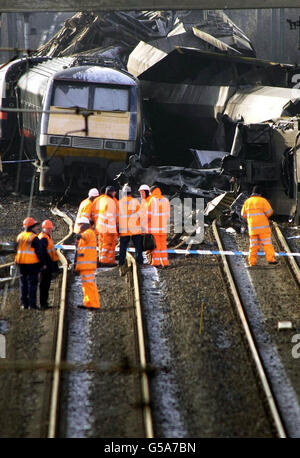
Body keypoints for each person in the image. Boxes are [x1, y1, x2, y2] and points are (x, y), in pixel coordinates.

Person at [15, 217, 47, 310]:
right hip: (32, 264)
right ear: (31, 227)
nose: (37, 228)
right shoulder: (34, 238)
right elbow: (39, 252)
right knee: (32, 284)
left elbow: (16, 249)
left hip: (21, 263)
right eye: (36, 226)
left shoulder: (20, 236)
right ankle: (32, 305)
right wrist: (43, 264)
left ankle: (24, 304)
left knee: (23, 284)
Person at [241, 185, 277, 267]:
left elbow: (243, 214)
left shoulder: (247, 202)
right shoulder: (263, 201)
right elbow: (269, 212)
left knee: (253, 246)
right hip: (263, 228)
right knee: (267, 244)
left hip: (252, 229)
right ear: (260, 193)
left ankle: (252, 262)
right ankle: (271, 259)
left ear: (252, 193)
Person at [75, 216, 100, 309]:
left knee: (89, 285)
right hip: (85, 265)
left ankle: (94, 304)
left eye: (80, 225)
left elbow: (85, 237)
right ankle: (88, 303)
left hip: (88, 265)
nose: (79, 227)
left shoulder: (88, 233)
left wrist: (80, 236)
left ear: (84, 225)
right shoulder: (86, 233)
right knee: (86, 285)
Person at [118, 184, 143, 274]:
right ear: (131, 192)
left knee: (123, 247)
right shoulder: (135, 202)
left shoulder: (120, 203)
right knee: (138, 247)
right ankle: (140, 261)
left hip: (124, 229)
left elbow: (117, 216)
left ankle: (120, 262)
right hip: (135, 228)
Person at [38, 219, 59, 310]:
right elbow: (43, 253)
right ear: (43, 228)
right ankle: (43, 304)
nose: (50, 230)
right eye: (48, 228)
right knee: (44, 284)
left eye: (50, 228)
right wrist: (46, 264)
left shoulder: (47, 237)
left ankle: (44, 302)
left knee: (46, 284)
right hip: (45, 266)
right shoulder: (43, 238)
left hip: (47, 264)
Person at [147, 185, 170, 267]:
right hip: (163, 228)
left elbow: (148, 215)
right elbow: (167, 215)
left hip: (154, 229)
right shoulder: (165, 200)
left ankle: (156, 263)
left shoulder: (152, 200)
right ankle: (165, 263)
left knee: (156, 247)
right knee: (163, 246)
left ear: (151, 192)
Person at [96, 185, 119, 266]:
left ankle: (103, 259)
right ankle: (106, 262)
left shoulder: (102, 199)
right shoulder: (110, 201)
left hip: (101, 227)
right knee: (108, 246)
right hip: (108, 229)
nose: (115, 193)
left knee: (102, 245)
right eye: (114, 192)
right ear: (111, 192)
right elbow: (110, 217)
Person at [91, 186, 106, 265]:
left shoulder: (95, 201)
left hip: (98, 225)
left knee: (101, 243)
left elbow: (92, 214)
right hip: (107, 226)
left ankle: (101, 258)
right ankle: (103, 259)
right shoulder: (109, 200)